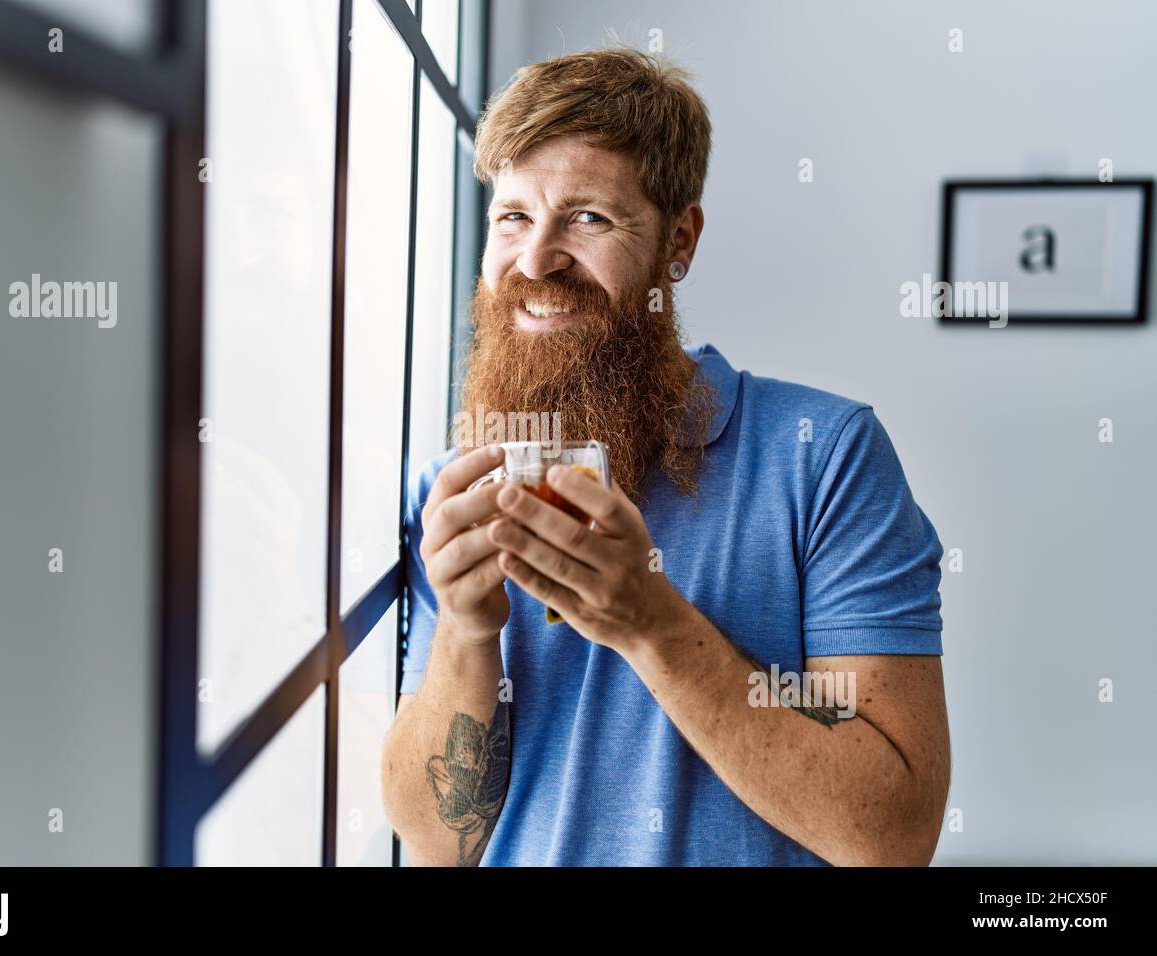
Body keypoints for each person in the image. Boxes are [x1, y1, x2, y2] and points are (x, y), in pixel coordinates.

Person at [380, 45, 950, 867]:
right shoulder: (452, 488)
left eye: (589, 218)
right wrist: (467, 633)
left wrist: (648, 621)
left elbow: (892, 839)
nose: (536, 261)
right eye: (512, 216)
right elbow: (437, 843)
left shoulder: (823, 458)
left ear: (677, 240)